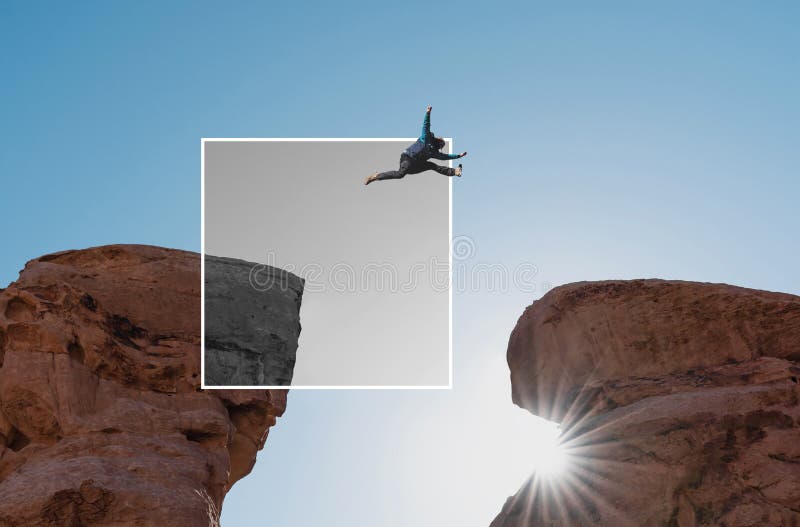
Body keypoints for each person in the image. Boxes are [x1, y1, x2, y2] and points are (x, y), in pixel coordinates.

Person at [365, 106, 468, 185]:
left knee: (432, 165)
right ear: (437, 141)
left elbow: (445, 157)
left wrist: (458, 156)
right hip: (407, 158)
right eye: (441, 145)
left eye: (441, 147)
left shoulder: (434, 152)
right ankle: (376, 176)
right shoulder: (426, 138)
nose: (440, 148)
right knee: (400, 174)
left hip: (414, 166)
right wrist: (428, 113)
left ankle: (455, 171)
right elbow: (425, 125)